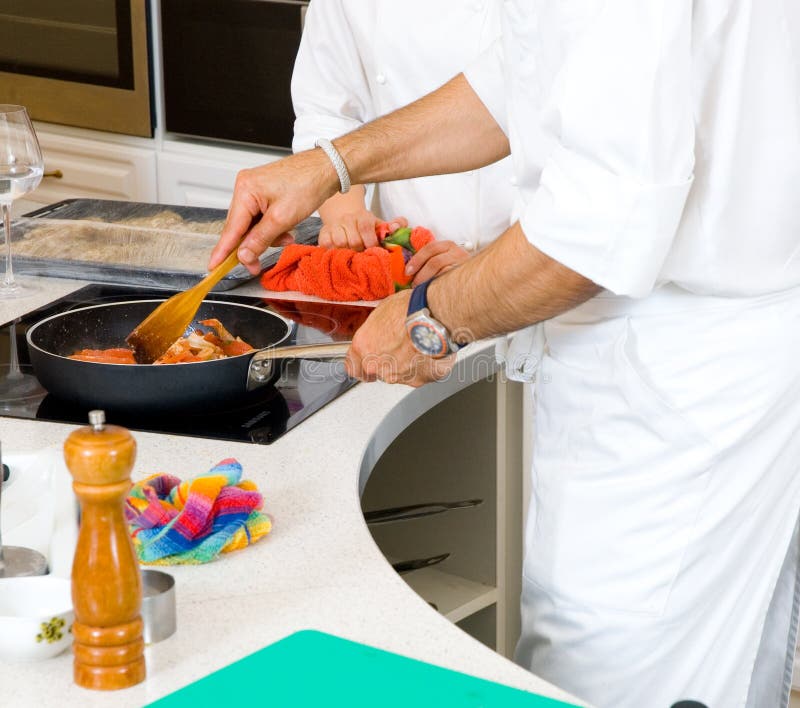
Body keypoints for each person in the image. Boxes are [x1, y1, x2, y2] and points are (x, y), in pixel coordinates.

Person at [210, 2, 800, 706]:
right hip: (666, 340)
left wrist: (431, 320)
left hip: (685, 375)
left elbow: (597, 226)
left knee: (600, 676)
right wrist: (335, 163)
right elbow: (525, 83)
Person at [291, 1, 514, 285]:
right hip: (405, 268)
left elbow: (568, 143)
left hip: (542, 273)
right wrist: (350, 220)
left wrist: (494, 270)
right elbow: (328, 110)